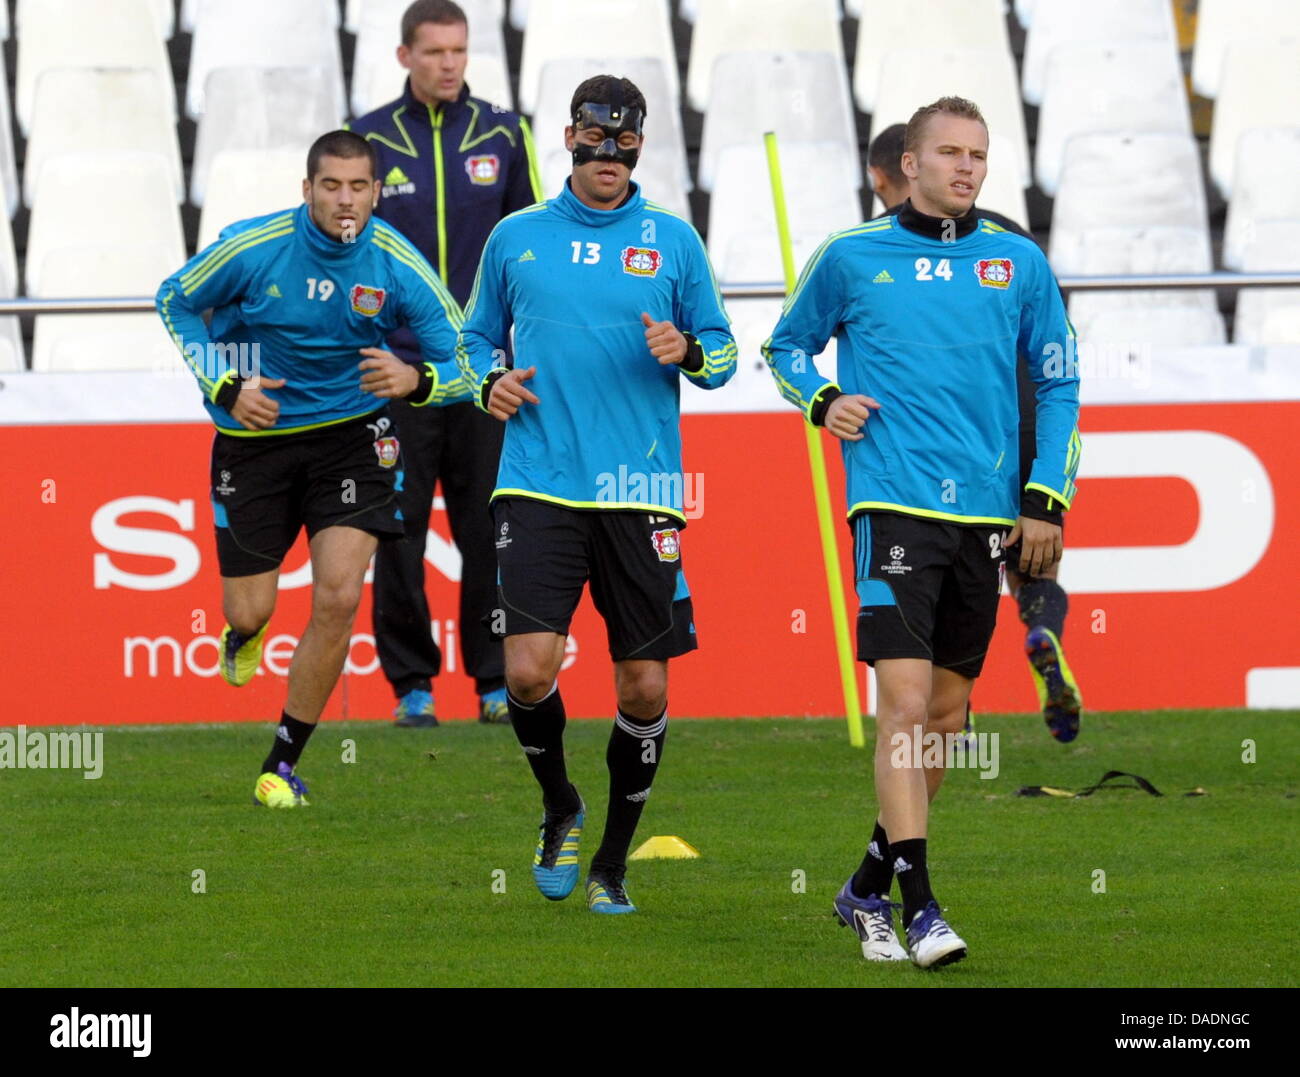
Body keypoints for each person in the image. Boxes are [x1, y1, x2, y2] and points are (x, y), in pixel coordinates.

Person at [764, 98, 1080, 966]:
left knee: (945, 716)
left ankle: (865, 884)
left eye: (979, 153)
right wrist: (825, 401)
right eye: (950, 152)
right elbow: (784, 348)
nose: (969, 167)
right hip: (893, 506)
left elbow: (1058, 385)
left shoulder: (1017, 262)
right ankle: (921, 907)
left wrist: (1044, 496)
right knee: (903, 705)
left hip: (986, 517)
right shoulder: (852, 256)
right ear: (909, 162)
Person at [457, 75, 736, 914]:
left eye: (624, 139)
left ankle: (613, 859)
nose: (607, 153)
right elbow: (471, 340)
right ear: (569, 138)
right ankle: (559, 805)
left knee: (644, 687)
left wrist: (686, 346)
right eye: (593, 136)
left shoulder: (675, 242)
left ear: (641, 145)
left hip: (641, 491)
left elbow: (723, 356)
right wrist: (488, 383)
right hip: (538, 483)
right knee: (527, 671)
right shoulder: (516, 238)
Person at [156, 130, 468, 807]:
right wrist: (224, 383)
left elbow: (466, 359)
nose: (346, 200)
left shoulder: (393, 261)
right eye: (332, 186)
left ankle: (283, 761)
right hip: (255, 438)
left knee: (338, 596)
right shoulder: (254, 245)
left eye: (359, 187)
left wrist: (415, 378)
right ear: (307, 190)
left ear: (377, 192)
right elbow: (174, 299)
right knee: (252, 606)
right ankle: (244, 631)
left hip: (353, 438)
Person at [349, 0, 543, 728]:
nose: (450, 64)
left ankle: (494, 681)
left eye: (459, 51)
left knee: (489, 526)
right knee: (395, 531)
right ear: (405, 57)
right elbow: (343, 249)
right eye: (434, 52)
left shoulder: (503, 131)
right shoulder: (368, 140)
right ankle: (411, 687)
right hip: (394, 371)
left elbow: (531, 244)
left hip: (484, 373)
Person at [869, 121, 1084, 744]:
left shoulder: (885, 249)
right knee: (1030, 568)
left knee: (936, 570)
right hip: (1029, 426)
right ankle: (1040, 634)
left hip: (953, 437)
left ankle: (951, 705)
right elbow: (1056, 349)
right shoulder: (1013, 242)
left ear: (885, 175)